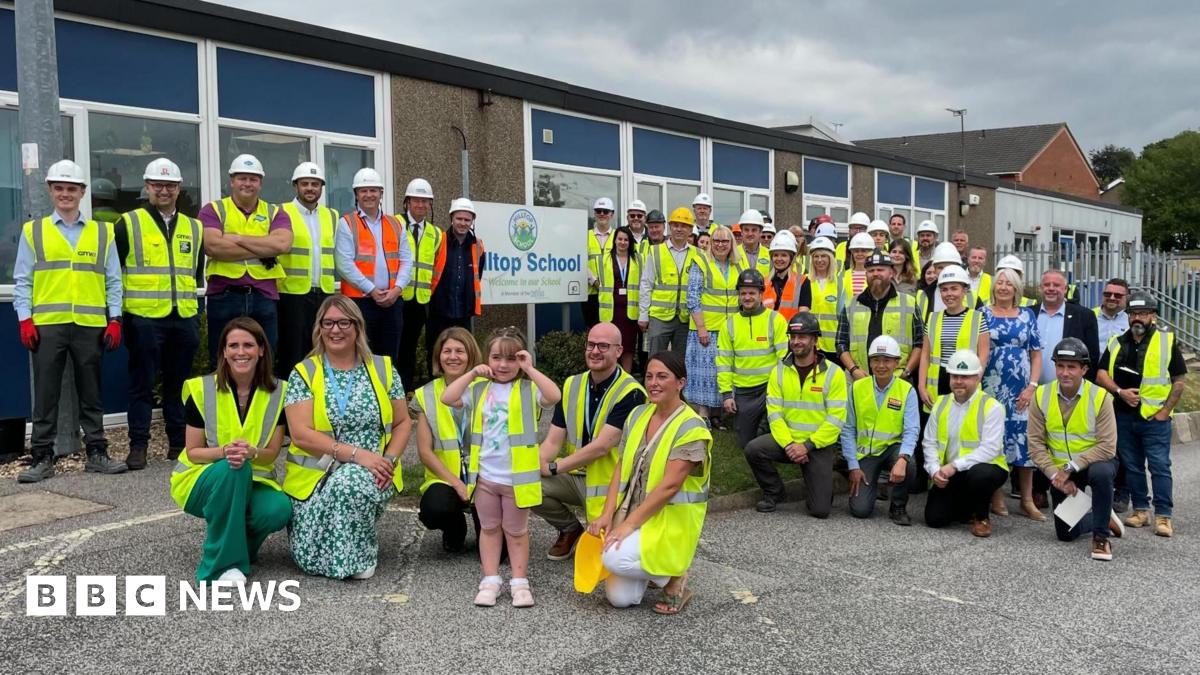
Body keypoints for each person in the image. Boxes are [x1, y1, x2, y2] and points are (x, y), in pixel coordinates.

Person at [282, 296, 412, 580]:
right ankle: (340, 548)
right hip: (315, 476)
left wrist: (387, 460)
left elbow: (403, 422)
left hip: (373, 470)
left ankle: (357, 559)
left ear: (357, 328)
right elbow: (301, 434)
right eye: (327, 323)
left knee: (349, 484)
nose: (335, 330)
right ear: (319, 328)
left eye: (343, 322)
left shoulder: (383, 368)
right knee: (307, 553)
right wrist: (354, 454)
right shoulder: (304, 372)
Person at [14, 159, 127, 483]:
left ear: (82, 192)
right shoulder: (33, 231)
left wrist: (115, 319)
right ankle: (41, 457)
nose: (66, 194)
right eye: (60, 188)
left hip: (90, 325)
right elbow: (23, 280)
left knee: (92, 393)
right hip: (48, 324)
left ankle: (96, 452)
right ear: (51, 190)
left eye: (72, 189)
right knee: (46, 393)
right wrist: (25, 319)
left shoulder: (101, 232)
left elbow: (114, 281)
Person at [442, 327, 561, 607]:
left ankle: (520, 583)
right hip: (486, 477)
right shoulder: (479, 388)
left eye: (511, 358)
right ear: (487, 359)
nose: (503, 365)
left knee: (516, 532)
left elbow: (553, 395)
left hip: (517, 479)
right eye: (496, 357)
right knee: (490, 528)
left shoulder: (528, 388)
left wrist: (530, 369)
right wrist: (471, 373)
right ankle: (490, 579)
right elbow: (448, 398)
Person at [590, 351, 712, 613]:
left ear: (680, 382)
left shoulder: (692, 427)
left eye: (662, 377)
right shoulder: (638, 415)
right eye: (649, 376)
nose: (653, 383)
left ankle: (675, 577)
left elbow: (670, 486)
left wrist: (627, 527)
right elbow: (621, 466)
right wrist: (607, 514)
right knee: (619, 600)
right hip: (633, 514)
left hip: (667, 522)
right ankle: (657, 571)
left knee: (614, 558)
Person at [172, 317, 290, 582]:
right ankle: (222, 565)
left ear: (261, 349)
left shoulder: (280, 392)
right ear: (224, 352)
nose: (240, 352)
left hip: (253, 480)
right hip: (200, 480)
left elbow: (272, 452)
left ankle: (238, 545)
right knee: (234, 468)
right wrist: (226, 452)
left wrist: (252, 453)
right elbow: (193, 452)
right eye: (233, 345)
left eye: (248, 345)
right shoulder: (201, 389)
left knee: (278, 509)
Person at [117, 158, 202, 469]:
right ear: (147, 187)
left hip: (183, 317)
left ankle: (178, 444)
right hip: (144, 317)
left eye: (170, 185)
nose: (164, 190)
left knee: (178, 385)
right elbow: (116, 271)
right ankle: (138, 445)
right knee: (142, 382)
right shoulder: (128, 223)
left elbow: (196, 272)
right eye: (157, 185)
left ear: (178, 189)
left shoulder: (195, 228)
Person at [536, 323, 645, 560]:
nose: (595, 351)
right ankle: (569, 529)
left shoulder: (632, 393)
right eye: (591, 344)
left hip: (611, 486)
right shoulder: (572, 384)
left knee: (610, 563)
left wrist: (555, 467)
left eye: (603, 346)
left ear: (619, 351)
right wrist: (538, 463)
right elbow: (553, 440)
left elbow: (603, 446)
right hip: (575, 476)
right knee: (523, 485)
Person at [1096, 293, 1186, 537]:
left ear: (1152, 316)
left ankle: (1164, 516)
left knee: (1159, 466)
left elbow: (1179, 381)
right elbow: (1101, 373)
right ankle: (1141, 511)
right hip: (1124, 416)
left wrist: (1165, 411)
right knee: (1133, 467)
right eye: (1134, 314)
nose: (1138, 318)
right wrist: (1119, 391)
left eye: (1143, 314)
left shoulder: (1166, 341)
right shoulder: (1116, 342)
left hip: (1154, 418)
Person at [1028, 338, 1124, 560]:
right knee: (1065, 534)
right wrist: (1055, 474)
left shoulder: (1101, 397)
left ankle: (1101, 537)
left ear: (1084, 369)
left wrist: (1072, 467)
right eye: (1060, 366)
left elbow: (1108, 446)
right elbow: (1035, 444)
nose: (1065, 373)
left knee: (1101, 474)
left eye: (1071, 367)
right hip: (1061, 471)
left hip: (1094, 463)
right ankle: (1102, 517)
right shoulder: (1041, 396)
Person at [744, 311, 848, 516]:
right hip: (787, 442)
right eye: (792, 337)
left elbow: (835, 420)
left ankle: (825, 478)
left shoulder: (834, 373)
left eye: (802, 337)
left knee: (820, 511)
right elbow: (774, 414)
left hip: (816, 445)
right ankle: (774, 491)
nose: (796, 342)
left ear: (815, 340)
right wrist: (790, 444)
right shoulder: (779, 371)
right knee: (753, 449)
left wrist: (807, 446)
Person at [200, 154, 293, 365]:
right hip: (224, 294)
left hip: (263, 295)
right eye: (242, 178)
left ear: (260, 183)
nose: (247, 183)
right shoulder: (213, 210)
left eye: (253, 179)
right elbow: (213, 246)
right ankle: (225, 397)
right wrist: (263, 247)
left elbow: (282, 245)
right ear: (232, 181)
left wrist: (237, 238)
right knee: (221, 357)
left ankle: (260, 398)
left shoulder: (275, 212)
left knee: (265, 357)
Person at [923, 349, 1009, 537]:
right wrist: (934, 470)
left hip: (985, 468)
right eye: (955, 376)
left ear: (978, 377)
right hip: (950, 472)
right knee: (934, 519)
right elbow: (929, 441)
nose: (959, 381)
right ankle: (966, 507)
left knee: (980, 476)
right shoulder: (941, 403)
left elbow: (990, 449)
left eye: (965, 377)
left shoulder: (992, 406)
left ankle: (981, 518)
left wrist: (954, 466)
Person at [411, 327, 482, 553]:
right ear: (438, 357)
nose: (452, 357)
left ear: (471, 354)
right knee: (435, 509)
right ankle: (455, 529)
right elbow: (425, 451)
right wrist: (457, 483)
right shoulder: (426, 394)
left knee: (497, 554)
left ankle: (487, 531)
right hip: (445, 478)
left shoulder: (486, 389)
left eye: (459, 351)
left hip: (485, 477)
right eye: (447, 351)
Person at [982, 263, 1043, 520]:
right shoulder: (983, 313)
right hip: (992, 385)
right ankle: (997, 497)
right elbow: (980, 352)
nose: (1003, 287)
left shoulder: (1027, 315)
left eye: (1009, 283)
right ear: (994, 286)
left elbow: (1036, 354)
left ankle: (1027, 500)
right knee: (995, 439)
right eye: (1000, 282)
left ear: (1016, 288)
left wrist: (1032, 386)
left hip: (1021, 388)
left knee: (1024, 440)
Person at [333, 167, 414, 360]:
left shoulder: (395, 223)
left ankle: (385, 390)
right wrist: (372, 290)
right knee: (360, 355)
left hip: (392, 301)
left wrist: (396, 290)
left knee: (389, 356)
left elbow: (406, 260)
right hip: (359, 302)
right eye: (363, 190)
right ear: (356, 195)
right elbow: (344, 263)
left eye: (373, 190)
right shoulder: (347, 223)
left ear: (381, 194)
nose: (369, 195)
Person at [840, 336, 919, 524]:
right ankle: (873, 485)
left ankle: (898, 505)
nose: (881, 365)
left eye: (887, 360)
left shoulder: (906, 390)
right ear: (870, 362)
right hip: (866, 454)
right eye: (876, 360)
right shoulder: (856, 388)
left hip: (893, 450)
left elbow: (911, 430)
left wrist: (903, 458)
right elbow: (848, 429)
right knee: (860, 510)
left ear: (896, 363)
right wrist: (853, 466)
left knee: (910, 465)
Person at [276, 162, 339, 379]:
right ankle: (289, 409)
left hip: (324, 294)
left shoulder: (332, 216)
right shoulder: (282, 212)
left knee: (323, 352)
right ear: (296, 186)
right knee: (292, 355)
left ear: (322, 187)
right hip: (292, 296)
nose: (310, 188)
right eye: (305, 184)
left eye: (315, 184)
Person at [717, 270, 790, 452]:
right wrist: (727, 394)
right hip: (744, 392)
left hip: (770, 388)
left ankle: (769, 427)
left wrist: (783, 388)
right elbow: (724, 361)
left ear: (761, 294)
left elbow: (785, 359)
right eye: (743, 293)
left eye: (752, 293)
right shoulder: (730, 324)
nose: (747, 297)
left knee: (772, 436)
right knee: (746, 445)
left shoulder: (776, 320)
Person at [685, 225, 744, 427]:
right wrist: (701, 328)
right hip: (706, 329)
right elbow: (692, 297)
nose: (720, 245)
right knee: (704, 373)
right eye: (716, 241)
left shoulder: (738, 265)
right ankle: (703, 414)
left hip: (729, 329)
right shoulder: (700, 261)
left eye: (725, 241)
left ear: (731, 244)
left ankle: (717, 414)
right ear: (710, 243)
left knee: (723, 371)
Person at [837, 250, 922, 385]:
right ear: (866, 274)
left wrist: (906, 372)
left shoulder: (909, 303)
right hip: (859, 379)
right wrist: (854, 370)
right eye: (871, 270)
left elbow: (919, 343)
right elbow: (841, 343)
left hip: (898, 379)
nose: (875, 274)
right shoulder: (850, 304)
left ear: (891, 273)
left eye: (881, 269)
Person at [918, 265, 990, 411]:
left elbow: (983, 356)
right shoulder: (933, 318)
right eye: (944, 289)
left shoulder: (977, 318)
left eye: (954, 288)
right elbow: (925, 356)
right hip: (937, 385)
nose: (949, 294)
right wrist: (921, 386)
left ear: (964, 290)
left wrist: (975, 382)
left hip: (965, 383)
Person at [426, 198, 486, 363]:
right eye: (459, 218)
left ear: (472, 221)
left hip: (463, 312)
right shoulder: (439, 241)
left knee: (462, 354)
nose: (463, 223)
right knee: (435, 352)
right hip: (438, 309)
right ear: (451, 218)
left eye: (467, 219)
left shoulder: (478, 246)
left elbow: (476, 277)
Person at [397, 177, 441, 392]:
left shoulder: (435, 233)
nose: (421, 205)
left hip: (420, 301)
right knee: (394, 348)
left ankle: (406, 390)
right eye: (417, 200)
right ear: (407, 202)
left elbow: (436, 268)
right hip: (396, 298)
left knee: (411, 349)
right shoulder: (394, 224)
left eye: (425, 201)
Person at [639, 207, 701, 358]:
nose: (679, 229)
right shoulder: (655, 252)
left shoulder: (699, 254)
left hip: (686, 318)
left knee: (681, 362)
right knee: (656, 359)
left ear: (690, 229)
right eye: (676, 225)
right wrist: (643, 315)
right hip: (659, 318)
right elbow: (646, 284)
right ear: (670, 227)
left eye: (684, 226)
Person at [1033, 269, 1099, 384]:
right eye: (1046, 285)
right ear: (1040, 288)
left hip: (1068, 391)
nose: (1051, 288)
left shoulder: (1084, 316)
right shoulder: (1028, 314)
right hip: (1030, 391)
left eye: (1056, 285)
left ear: (1065, 289)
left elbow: (1092, 357)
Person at [598, 226, 640, 373]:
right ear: (615, 240)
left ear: (630, 242)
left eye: (626, 240)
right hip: (611, 311)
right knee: (611, 346)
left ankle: (626, 378)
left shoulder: (637, 259)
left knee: (628, 347)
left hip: (630, 311)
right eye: (620, 239)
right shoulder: (604, 259)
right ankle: (612, 375)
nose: (622, 242)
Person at [916, 242, 980, 324]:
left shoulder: (973, 297)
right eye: (940, 267)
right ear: (934, 269)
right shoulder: (922, 296)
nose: (945, 271)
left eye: (949, 266)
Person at [807, 236, 843, 363]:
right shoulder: (805, 281)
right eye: (816, 256)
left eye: (823, 256)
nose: (819, 260)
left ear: (830, 258)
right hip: (811, 344)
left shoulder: (840, 282)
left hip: (834, 346)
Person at [762, 230, 812, 321]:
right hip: (766, 334)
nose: (779, 259)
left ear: (791, 258)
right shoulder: (763, 282)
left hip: (791, 334)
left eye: (784, 255)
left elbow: (803, 316)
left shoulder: (803, 282)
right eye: (776, 255)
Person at [585, 197, 617, 327]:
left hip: (612, 293)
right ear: (594, 214)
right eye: (599, 211)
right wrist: (594, 281)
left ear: (612, 214)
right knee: (593, 331)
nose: (602, 214)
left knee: (612, 332)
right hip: (592, 294)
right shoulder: (585, 235)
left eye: (605, 211)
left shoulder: (618, 236)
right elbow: (580, 262)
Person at [1094, 278, 1130, 346]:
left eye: (1117, 295)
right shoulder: (1089, 316)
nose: (1112, 298)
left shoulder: (1131, 320)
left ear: (1126, 298)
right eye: (1108, 294)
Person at [841, 232, 875, 300]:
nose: (860, 254)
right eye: (856, 251)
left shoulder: (875, 275)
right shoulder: (844, 275)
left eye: (863, 251)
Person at [737, 209, 771, 276]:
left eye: (754, 230)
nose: (750, 234)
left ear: (761, 232)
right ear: (741, 232)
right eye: (746, 230)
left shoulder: (770, 255)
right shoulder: (733, 253)